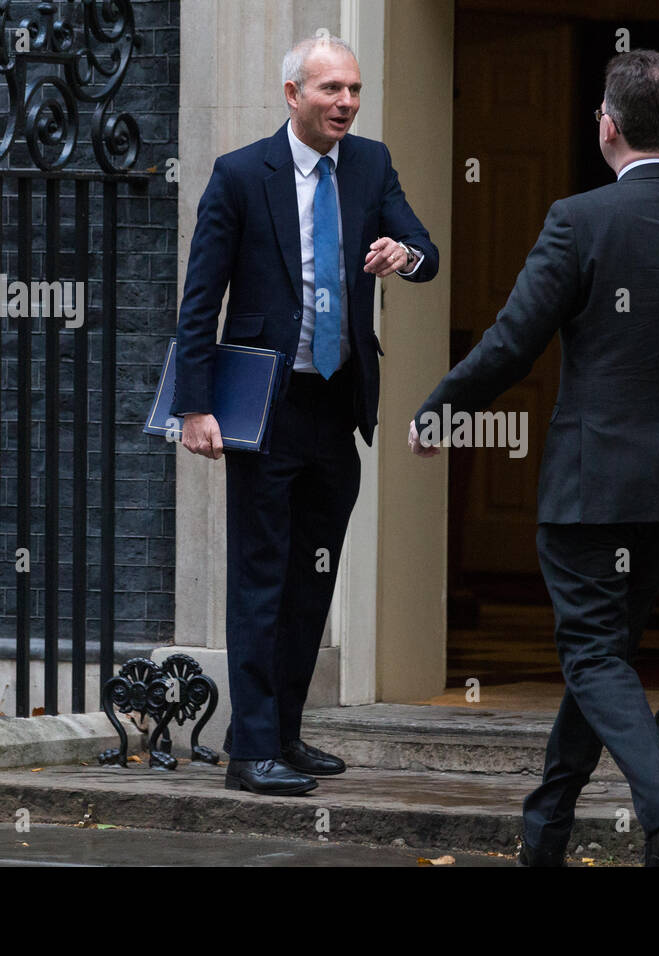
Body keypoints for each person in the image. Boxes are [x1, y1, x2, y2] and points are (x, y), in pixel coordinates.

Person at [409, 49, 659, 865]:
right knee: (602, 651)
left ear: (606, 126)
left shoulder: (577, 220)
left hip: (592, 484)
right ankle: (547, 827)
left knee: (592, 652)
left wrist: (441, 407)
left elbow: (512, 343)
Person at [173, 35, 439, 796]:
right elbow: (201, 303)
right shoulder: (237, 176)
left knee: (310, 580)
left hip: (337, 404)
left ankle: (285, 734)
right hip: (264, 407)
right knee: (260, 577)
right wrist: (195, 406)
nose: (347, 104)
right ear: (293, 94)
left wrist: (403, 256)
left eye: (354, 90)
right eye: (331, 90)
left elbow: (426, 249)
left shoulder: (370, 164)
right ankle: (248, 751)